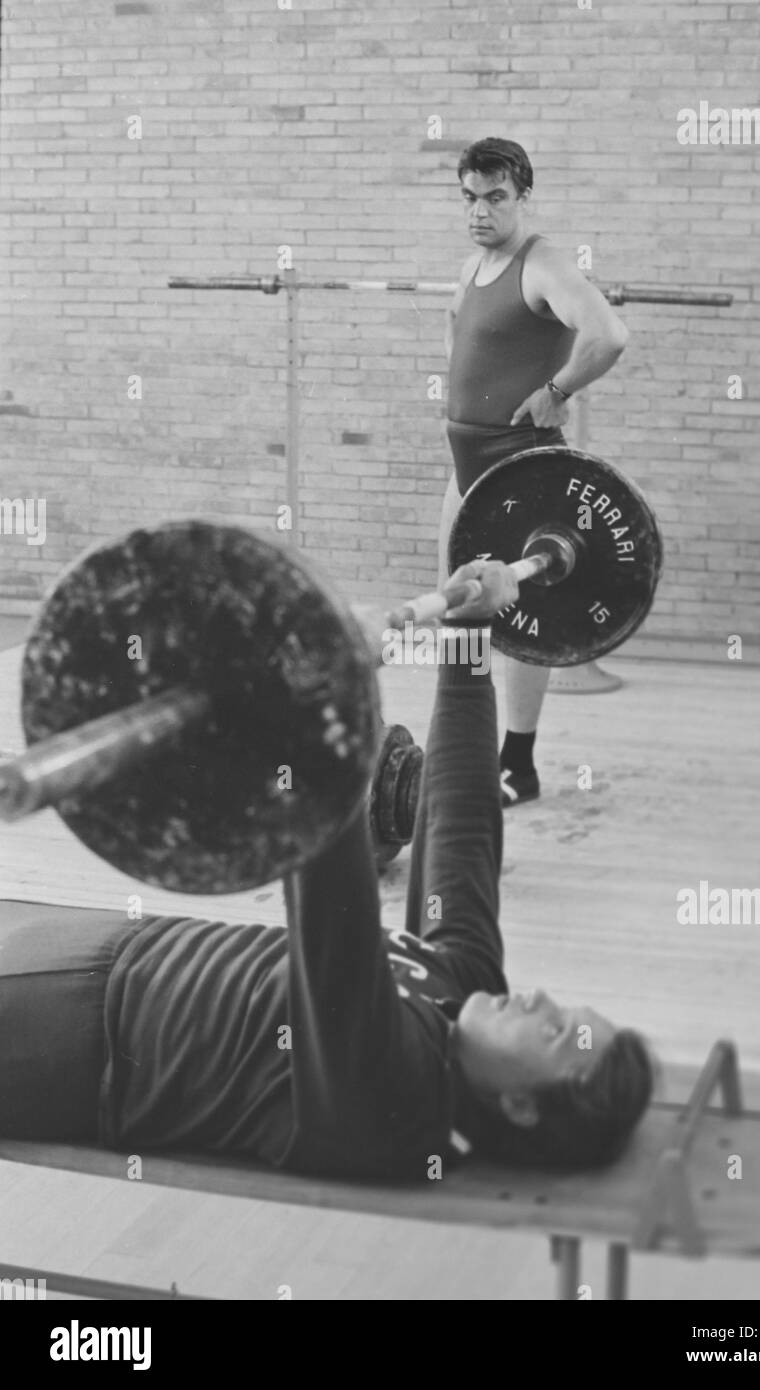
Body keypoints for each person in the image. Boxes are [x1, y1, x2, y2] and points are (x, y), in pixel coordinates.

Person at [0, 559, 653, 1180]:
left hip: (64, 1041)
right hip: (111, 948)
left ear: (520, 1105)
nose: (541, 999)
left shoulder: (397, 1106)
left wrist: (332, 701)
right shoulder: (466, 987)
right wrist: (468, 635)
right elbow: (460, 820)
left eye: (556, 1031)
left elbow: (329, 907)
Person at [442, 136, 630, 807]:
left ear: (522, 197)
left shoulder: (541, 261)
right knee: (460, 606)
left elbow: (607, 334)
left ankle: (516, 765)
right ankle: (465, 747)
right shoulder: (471, 267)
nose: (480, 210)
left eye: (495, 197)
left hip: (519, 467)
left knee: (522, 621)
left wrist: (556, 390)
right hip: (465, 466)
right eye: (469, 196)